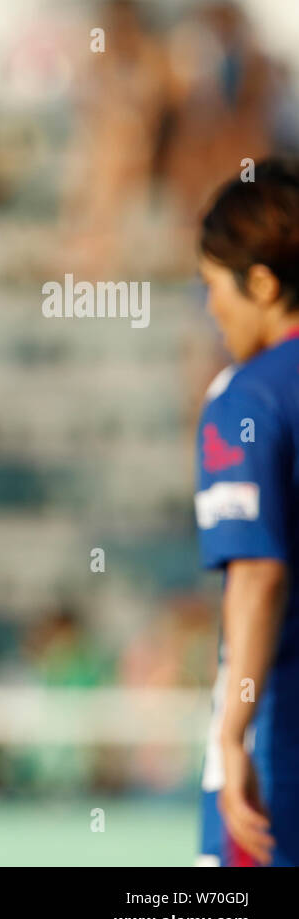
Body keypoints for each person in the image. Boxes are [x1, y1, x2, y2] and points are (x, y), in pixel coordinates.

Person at [193, 157, 299, 868]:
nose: (212, 309)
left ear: (260, 282)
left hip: (281, 731)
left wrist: (234, 733)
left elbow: (258, 573)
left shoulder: (249, 398)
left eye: (212, 287)